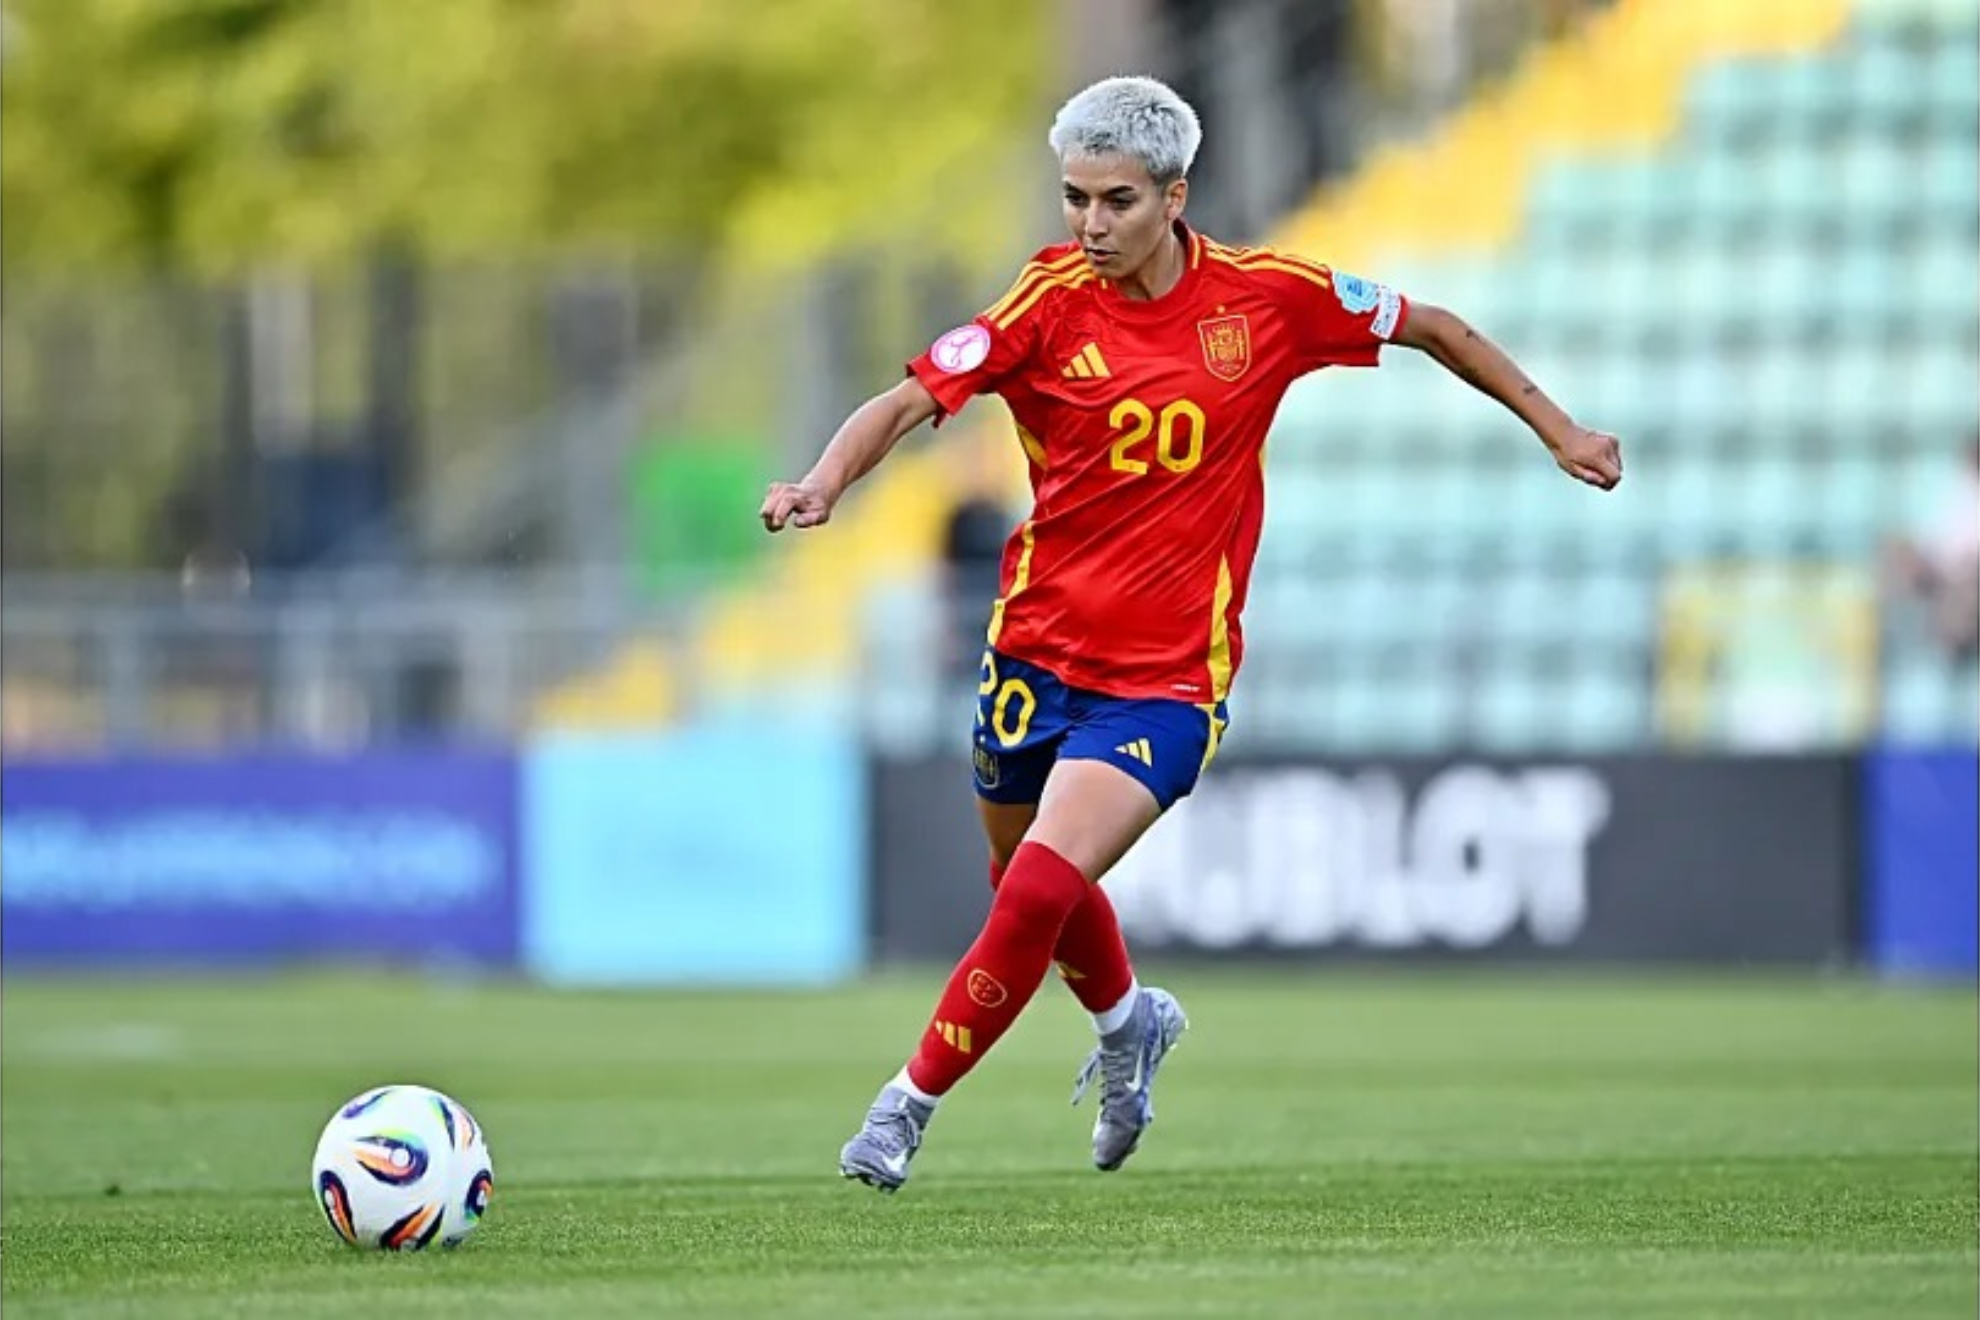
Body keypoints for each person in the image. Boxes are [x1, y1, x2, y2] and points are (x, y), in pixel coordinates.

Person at [760, 75, 1622, 1194]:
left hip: (1166, 681)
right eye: (1074, 198)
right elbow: (908, 400)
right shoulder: (1041, 303)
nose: (1089, 225)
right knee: (1020, 877)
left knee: (1035, 888)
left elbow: (1436, 329)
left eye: (1116, 201)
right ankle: (1128, 1025)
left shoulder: (1268, 299)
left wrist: (1560, 429)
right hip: (1031, 652)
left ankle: (903, 1109)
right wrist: (824, 480)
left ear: (1176, 196)